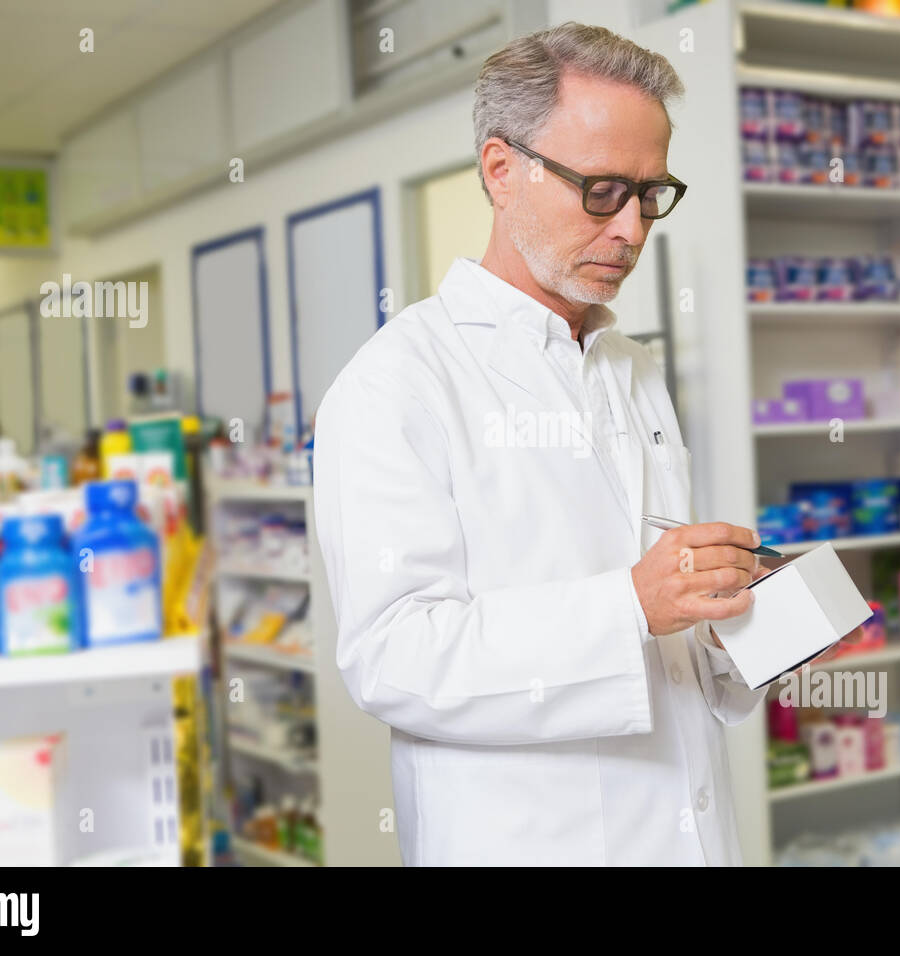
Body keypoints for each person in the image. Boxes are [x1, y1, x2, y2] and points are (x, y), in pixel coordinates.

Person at [313, 21, 847, 866]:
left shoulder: (631, 369)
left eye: (651, 192)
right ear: (501, 169)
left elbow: (660, 626)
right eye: (601, 190)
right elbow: (394, 658)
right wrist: (630, 605)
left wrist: (731, 616)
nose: (632, 229)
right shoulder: (398, 382)